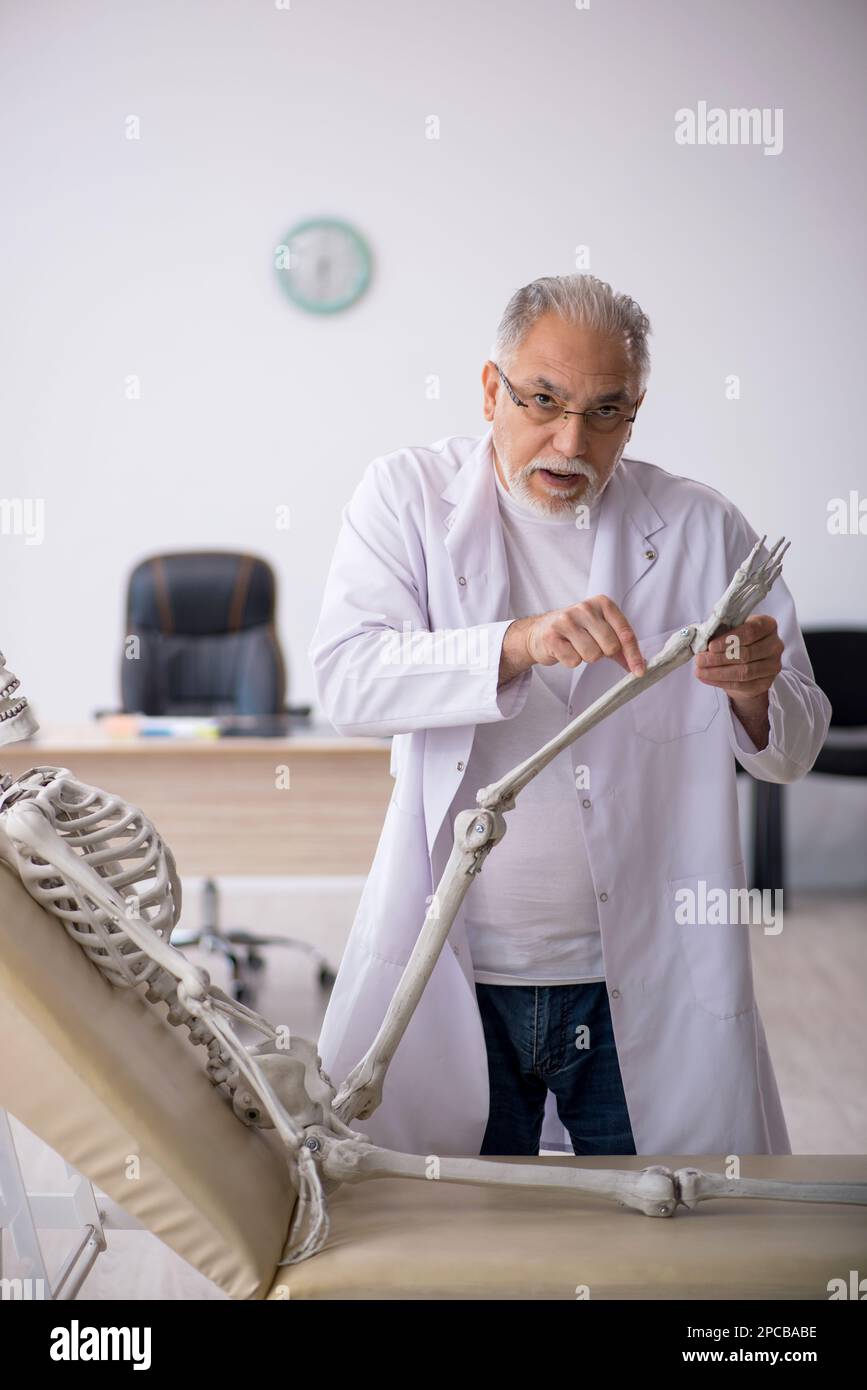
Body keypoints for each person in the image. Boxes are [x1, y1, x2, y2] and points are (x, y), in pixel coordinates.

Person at [308, 274, 830, 1158]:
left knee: (664, 1255)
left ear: (636, 412)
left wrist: (751, 690)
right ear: (489, 389)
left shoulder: (700, 527)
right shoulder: (404, 496)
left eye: (605, 411)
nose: (569, 439)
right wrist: (512, 644)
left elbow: (792, 746)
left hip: (637, 982)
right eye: (542, 400)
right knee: (450, 1251)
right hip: (455, 968)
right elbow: (347, 681)